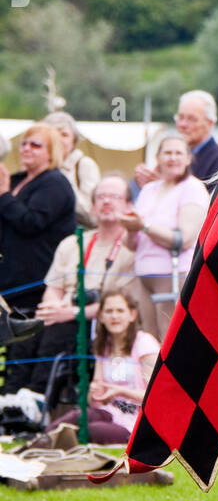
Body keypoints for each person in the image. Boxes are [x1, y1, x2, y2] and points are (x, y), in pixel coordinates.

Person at [27, 173, 141, 396]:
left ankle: (36, 397)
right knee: (28, 331)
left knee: (60, 330)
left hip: (98, 320)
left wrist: (70, 313)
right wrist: (54, 309)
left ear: (128, 205)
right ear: (92, 205)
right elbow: (53, 288)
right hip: (61, 314)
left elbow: (123, 305)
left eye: (114, 197)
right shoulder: (72, 243)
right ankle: (13, 398)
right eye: (101, 197)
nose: (106, 202)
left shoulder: (132, 248)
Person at [0, 123, 76, 393]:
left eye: (36, 145)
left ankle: (14, 407)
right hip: (8, 279)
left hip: (34, 281)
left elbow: (31, 222)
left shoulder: (55, 183)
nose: (27, 149)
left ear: (51, 152)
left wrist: (4, 195)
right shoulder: (18, 179)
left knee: (21, 348)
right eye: (24, 143)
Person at [42, 290, 159, 446]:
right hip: (113, 413)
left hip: (139, 421)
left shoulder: (144, 343)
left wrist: (119, 391)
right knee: (77, 417)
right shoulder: (102, 347)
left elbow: (156, 397)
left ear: (132, 315)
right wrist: (94, 393)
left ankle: (56, 445)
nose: (114, 316)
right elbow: (96, 400)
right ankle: (38, 444)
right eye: (109, 311)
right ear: (101, 317)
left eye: (120, 311)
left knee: (92, 430)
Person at [122, 133, 209, 340]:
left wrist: (144, 225)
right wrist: (131, 228)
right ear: (158, 158)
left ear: (188, 158)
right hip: (144, 275)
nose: (173, 158)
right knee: (147, 338)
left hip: (173, 276)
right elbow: (132, 244)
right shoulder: (149, 189)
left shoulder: (192, 188)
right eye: (167, 153)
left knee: (170, 339)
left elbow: (185, 238)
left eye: (179, 153)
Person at [135, 92, 218, 193]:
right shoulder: (169, 156)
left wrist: (166, 186)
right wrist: (148, 184)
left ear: (210, 123)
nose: (183, 124)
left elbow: (211, 205)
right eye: (180, 117)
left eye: (192, 119)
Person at [43, 111, 101, 229]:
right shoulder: (37, 167)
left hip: (74, 239)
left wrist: (61, 181)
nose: (58, 139)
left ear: (73, 141)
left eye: (64, 135)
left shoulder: (84, 165)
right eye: (54, 134)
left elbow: (92, 215)